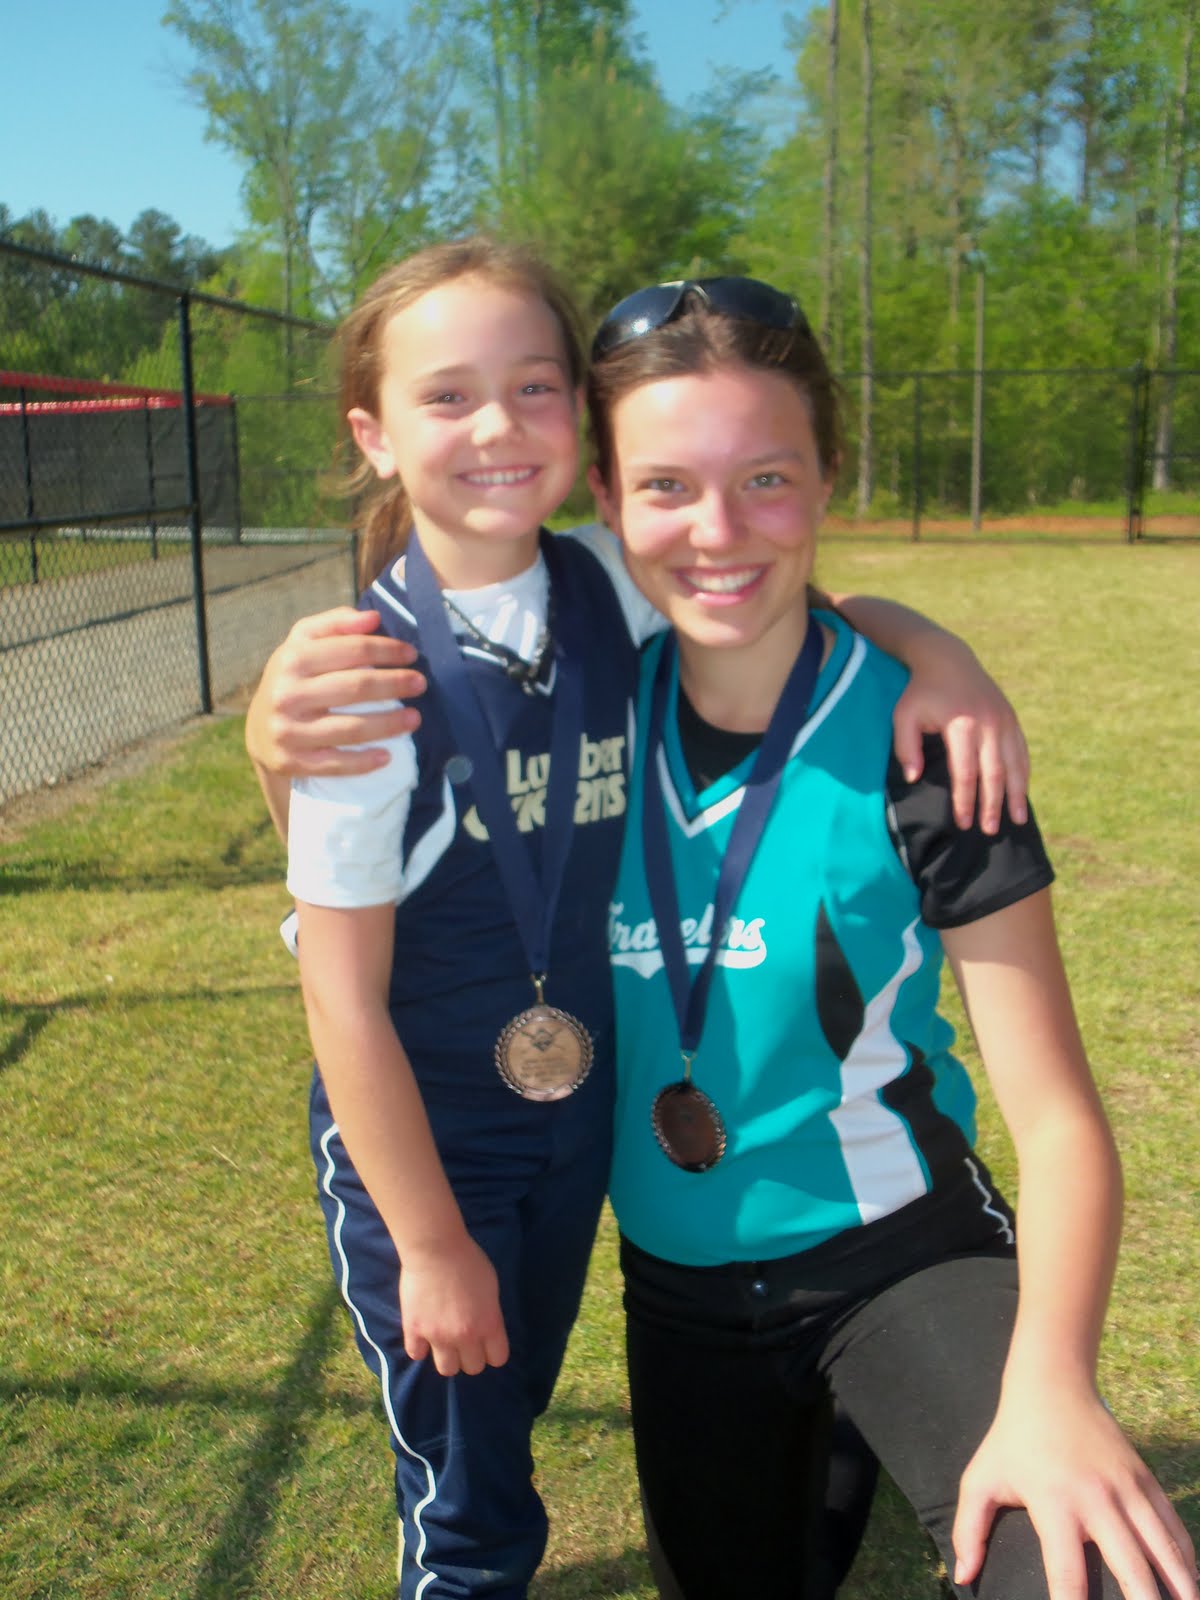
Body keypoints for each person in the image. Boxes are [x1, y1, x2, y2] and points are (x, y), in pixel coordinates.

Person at [248, 238, 1032, 1600]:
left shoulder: (608, 579)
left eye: (537, 387)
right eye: (448, 397)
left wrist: (941, 654)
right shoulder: (359, 692)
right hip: (435, 1144)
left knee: (519, 1395)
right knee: (472, 1499)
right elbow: (339, 997)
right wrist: (429, 1245)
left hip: (582, 1127)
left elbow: (770, 576)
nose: (497, 427)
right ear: (371, 435)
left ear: (584, 431)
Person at [578, 275, 1198, 1600]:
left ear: (830, 477)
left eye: (767, 479)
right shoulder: (569, 725)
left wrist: (1051, 1392)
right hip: (678, 1293)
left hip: (901, 1257)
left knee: (1087, 1569)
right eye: (668, 485)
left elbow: (1062, 1120)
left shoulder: (928, 745)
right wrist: (279, 728)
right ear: (606, 496)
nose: (717, 530)